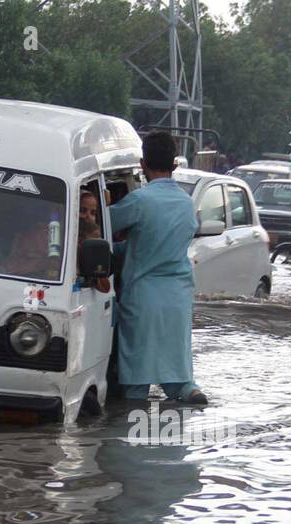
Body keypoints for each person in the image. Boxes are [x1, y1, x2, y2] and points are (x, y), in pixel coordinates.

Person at [108, 130, 206, 404]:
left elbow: (105, 227)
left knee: (137, 382)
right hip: (178, 295)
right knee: (177, 360)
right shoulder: (187, 204)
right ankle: (189, 390)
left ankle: (130, 435)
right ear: (175, 165)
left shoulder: (139, 201)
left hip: (144, 294)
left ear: (143, 165)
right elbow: (161, 244)